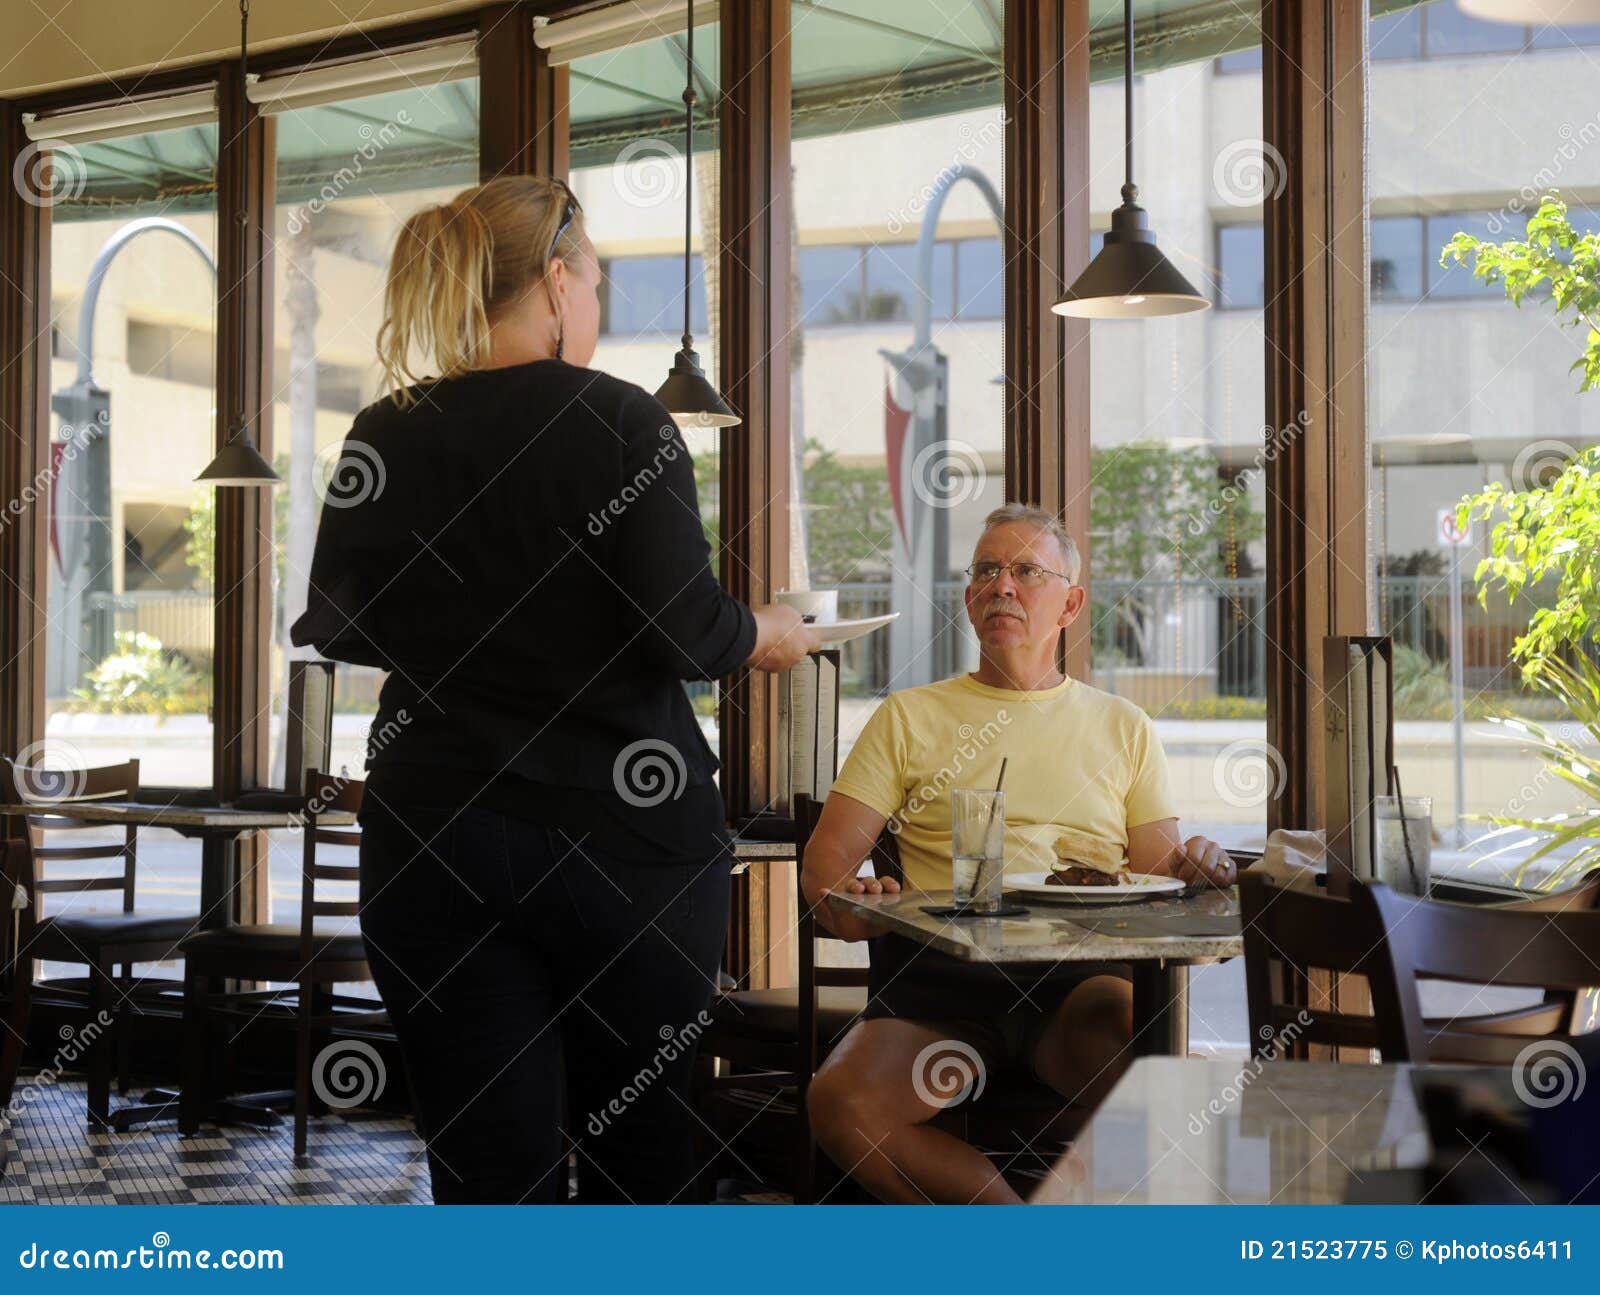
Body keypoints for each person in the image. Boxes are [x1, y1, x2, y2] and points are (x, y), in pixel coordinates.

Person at [290, 176, 818, 1204]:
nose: (599, 300)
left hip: (434, 842)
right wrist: (770, 632)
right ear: (556, 280)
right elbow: (688, 629)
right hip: (623, 845)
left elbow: (340, 624)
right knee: (640, 1160)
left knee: (488, 1168)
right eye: (599, 280)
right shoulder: (621, 420)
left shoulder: (384, 430)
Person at [800, 502, 1235, 1204]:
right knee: (841, 1102)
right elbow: (825, 870)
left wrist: (1195, 868)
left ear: (1070, 602)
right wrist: (860, 907)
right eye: (986, 570)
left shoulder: (1123, 726)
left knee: (1189, 1092)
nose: (1002, 584)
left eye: (1026, 570)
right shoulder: (908, 717)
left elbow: (1156, 880)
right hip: (938, 998)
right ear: (970, 597)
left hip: (1080, 992)